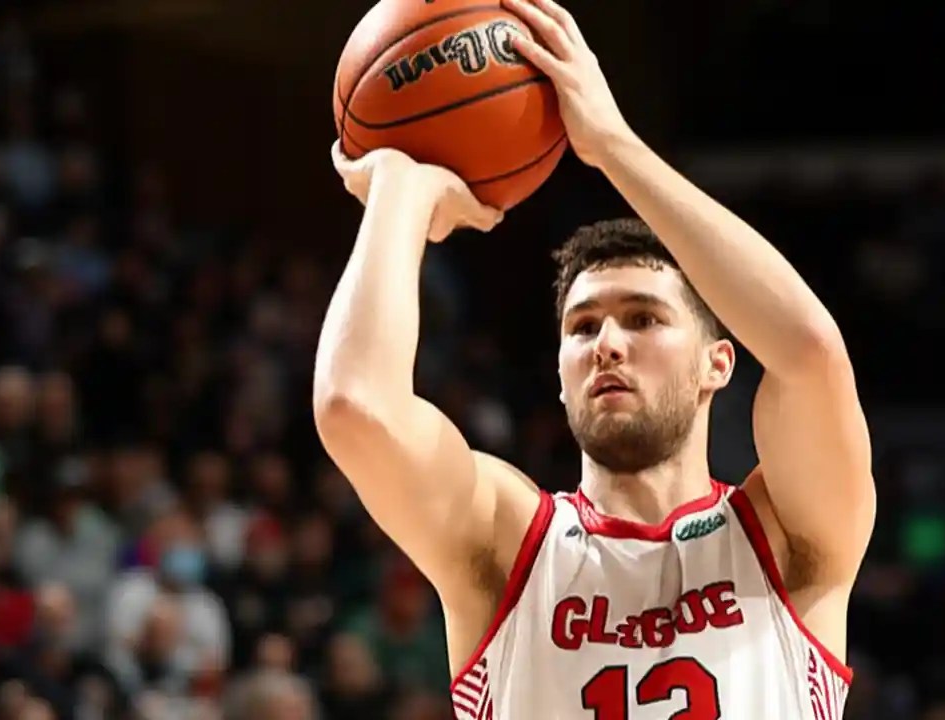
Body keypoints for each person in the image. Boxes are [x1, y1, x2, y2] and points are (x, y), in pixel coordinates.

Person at [314, 0, 876, 716]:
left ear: (719, 364)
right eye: (581, 328)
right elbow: (354, 405)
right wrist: (402, 184)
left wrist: (614, 146)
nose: (606, 342)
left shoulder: (787, 539)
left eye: (643, 318)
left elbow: (809, 352)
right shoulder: (507, 543)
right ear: (558, 372)